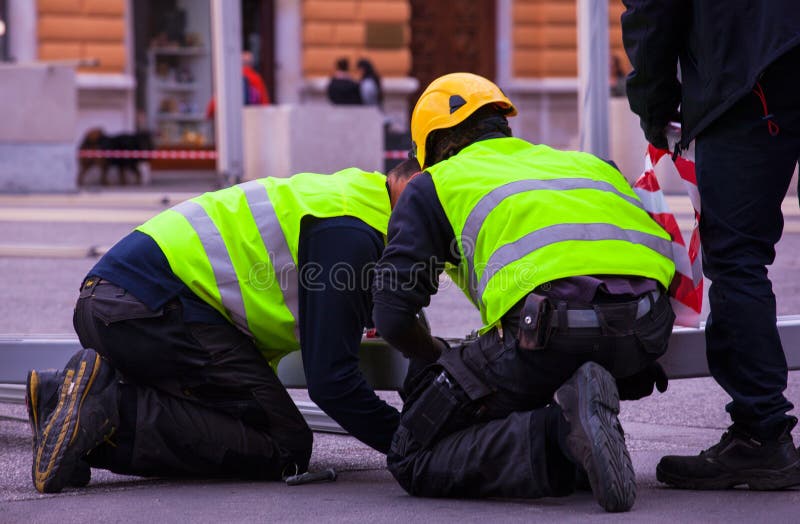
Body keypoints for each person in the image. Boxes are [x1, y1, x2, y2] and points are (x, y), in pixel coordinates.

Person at [375, 72, 676, 512]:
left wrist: (438, 358)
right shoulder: (592, 164)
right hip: (644, 334)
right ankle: (583, 421)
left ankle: (563, 439)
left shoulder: (436, 183)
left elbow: (392, 315)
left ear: (434, 147)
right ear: (502, 124)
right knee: (537, 360)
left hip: (549, 335)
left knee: (410, 453)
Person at [27, 161, 421, 494]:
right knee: (284, 444)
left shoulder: (352, 200)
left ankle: (60, 402)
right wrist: (415, 446)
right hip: (151, 307)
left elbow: (372, 309)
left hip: (116, 302)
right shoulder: (350, 232)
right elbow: (333, 382)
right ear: (418, 184)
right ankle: (108, 410)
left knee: (238, 422)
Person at [621, 1, 800, 490]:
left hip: (754, 69)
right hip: (769, 53)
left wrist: (655, 108)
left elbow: (652, 12)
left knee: (736, 255)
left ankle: (761, 435)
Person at [205, 50, 269, 118]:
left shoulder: (231, 77)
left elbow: (216, 101)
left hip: (231, 116)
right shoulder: (256, 78)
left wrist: (209, 113)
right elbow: (264, 102)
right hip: (251, 117)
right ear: (251, 64)